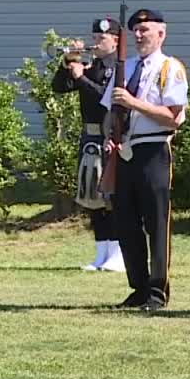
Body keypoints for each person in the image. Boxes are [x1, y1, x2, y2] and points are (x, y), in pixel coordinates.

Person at [99, 8, 189, 312]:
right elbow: (110, 110)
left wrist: (134, 103)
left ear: (161, 34)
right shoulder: (125, 67)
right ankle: (137, 287)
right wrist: (109, 137)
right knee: (126, 222)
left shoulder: (169, 68)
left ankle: (157, 291)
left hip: (153, 149)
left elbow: (173, 117)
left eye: (145, 30)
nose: (139, 36)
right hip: (124, 150)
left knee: (156, 223)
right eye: (135, 31)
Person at [51, 17, 126, 272]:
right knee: (92, 196)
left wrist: (82, 78)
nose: (96, 43)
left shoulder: (119, 68)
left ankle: (118, 253)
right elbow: (59, 87)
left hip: (109, 136)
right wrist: (68, 62)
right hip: (90, 137)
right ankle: (101, 253)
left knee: (111, 197)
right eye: (94, 38)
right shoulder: (91, 66)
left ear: (115, 40)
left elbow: (107, 98)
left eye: (101, 38)